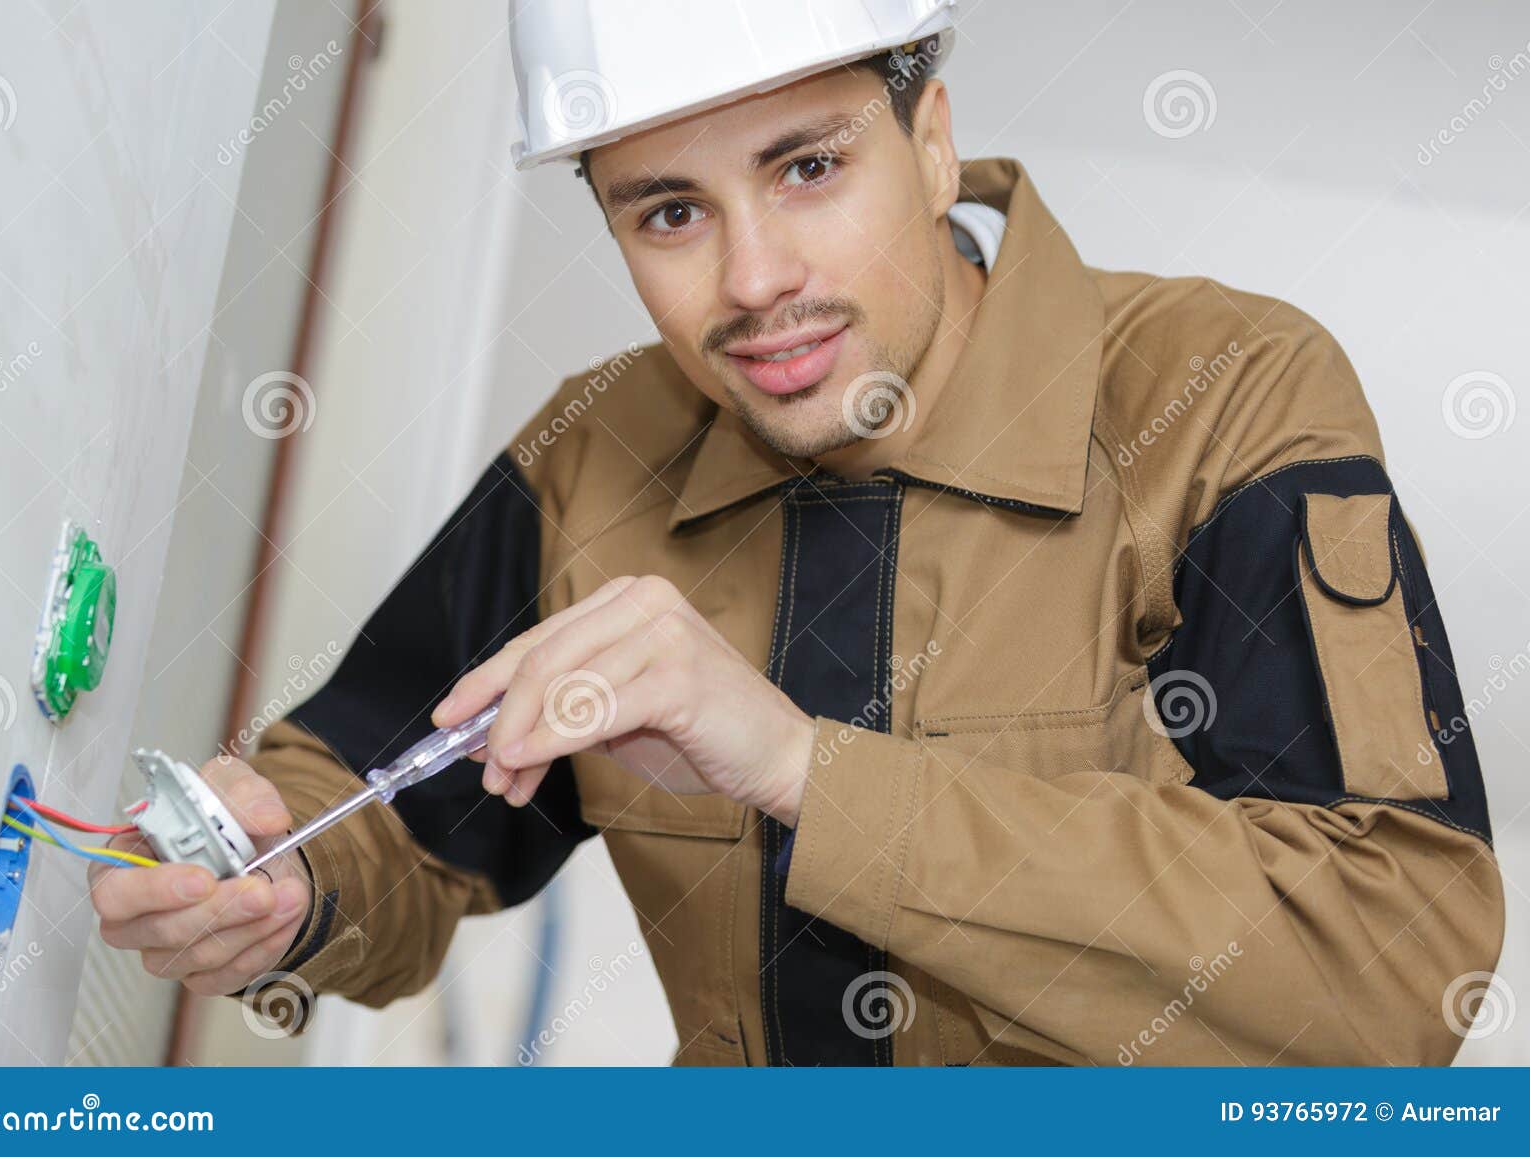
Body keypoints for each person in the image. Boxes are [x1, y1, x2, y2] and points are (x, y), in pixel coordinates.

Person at [89, 0, 1504, 1065]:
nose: (754, 280)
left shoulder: (1217, 396)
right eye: (669, 210)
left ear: (932, 140)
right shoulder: (595, 455)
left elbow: (1390, 970)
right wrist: (288, 884)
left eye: (809, 168)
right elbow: (383, 810)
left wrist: (796, 768)